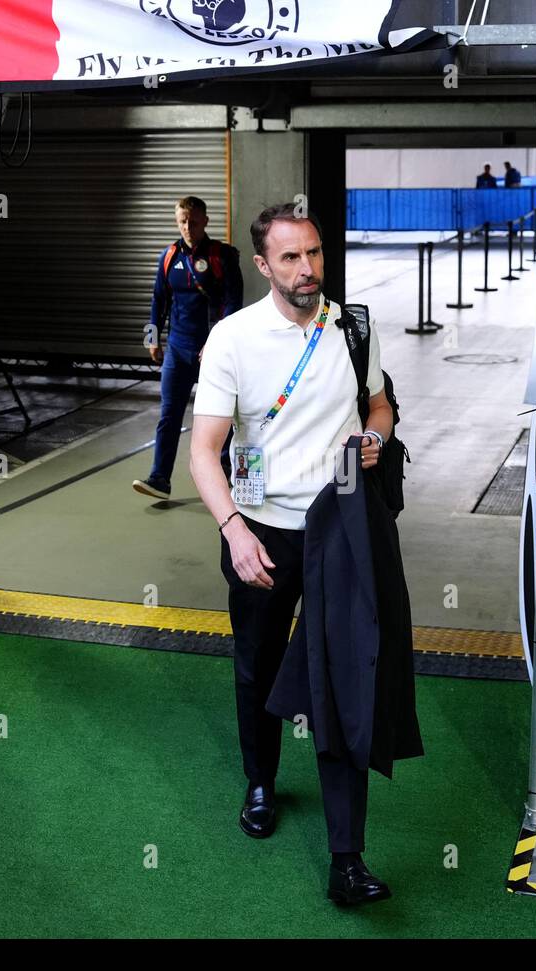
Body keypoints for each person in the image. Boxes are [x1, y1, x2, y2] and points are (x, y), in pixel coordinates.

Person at [189, 202, 409, 906]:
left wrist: (375, 438)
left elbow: (380, 407)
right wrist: (233, 529)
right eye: (290, 257)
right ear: (263, 265)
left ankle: (347, 858)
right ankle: (261, 779)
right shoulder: (232, 339)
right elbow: (204, 451)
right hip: (262, 530)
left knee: (347, 677)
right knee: (257, 663)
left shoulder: (352, 327)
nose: (307, 269)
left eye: (313, 253)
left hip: (341, 523)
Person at [132, 195, 243, 500]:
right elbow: (159, 300)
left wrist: (217, 342)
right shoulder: (168, 257)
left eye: (193, 221)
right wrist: (152, 338)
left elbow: (234, 302)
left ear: (205, 221)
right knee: (169, 415)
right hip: (178, 352)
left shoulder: (223, 256)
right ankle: (159, 479)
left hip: (213, 352)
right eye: (182, 221)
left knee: (222, 419)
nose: (187, 227)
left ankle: (228, 479)